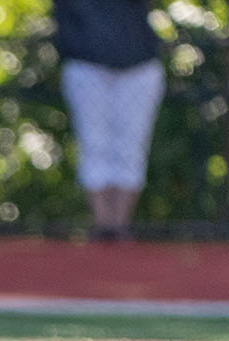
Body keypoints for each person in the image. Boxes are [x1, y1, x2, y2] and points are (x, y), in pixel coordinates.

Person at [54, 0, 162, 241]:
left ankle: (119, 226)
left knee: (131, 146)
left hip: (138, 63)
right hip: (86, 62)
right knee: (93, 144)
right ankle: (103, 225)